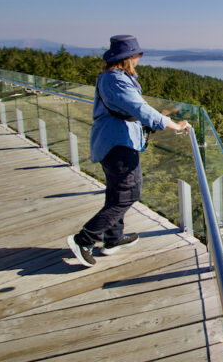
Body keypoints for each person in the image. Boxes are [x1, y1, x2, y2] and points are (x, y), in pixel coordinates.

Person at [66, 34, 189, 267]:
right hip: (117, 144)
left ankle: (113, 239)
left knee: (116, 193)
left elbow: (127, 109)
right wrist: (174, 125)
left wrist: (155, 118)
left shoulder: (114, 78)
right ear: (128, 57)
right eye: (138, 54)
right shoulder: (115, 80)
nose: (140, 58)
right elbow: (138, 107)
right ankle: (84, 239)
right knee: (128, 194)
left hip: (114, 141)